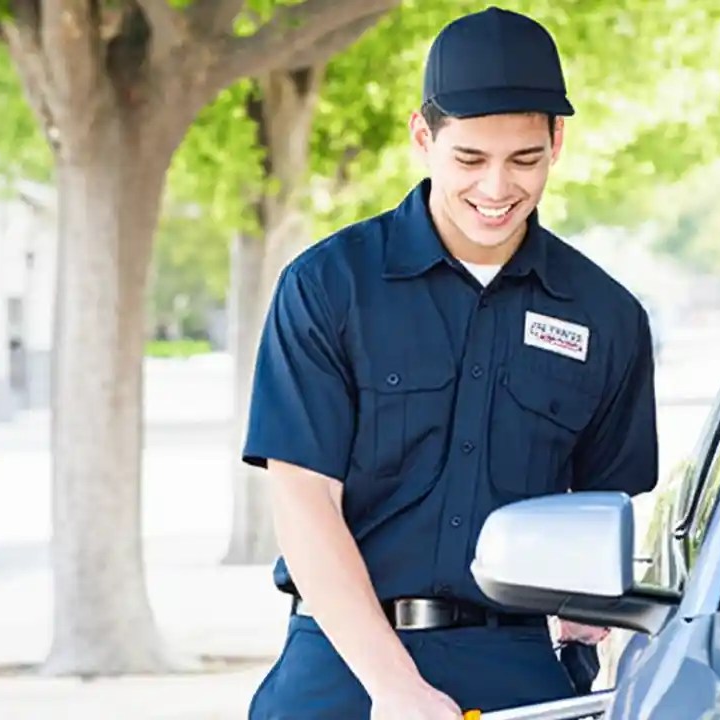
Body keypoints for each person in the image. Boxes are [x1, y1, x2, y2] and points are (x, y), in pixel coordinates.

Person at [241, 7, 659, 718]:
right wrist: (395, 688)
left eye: (524, 160)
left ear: (556, 142)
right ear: (422, 137)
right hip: (341, 664)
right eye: (470, 160)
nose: (496, 189)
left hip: (516, 672)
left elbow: (602, 510)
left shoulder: (606, 317)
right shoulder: (329, 287)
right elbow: (304, 501)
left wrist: (588, 623)